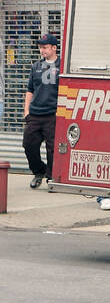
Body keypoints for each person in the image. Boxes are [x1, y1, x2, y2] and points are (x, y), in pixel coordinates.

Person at [23, 33, 60, 189]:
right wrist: (26, 111)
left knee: (52, 149)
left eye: (45, 47)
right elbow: (30, 90)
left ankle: (51, 178)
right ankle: (39, 171)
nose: (42, 50)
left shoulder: (62, 66)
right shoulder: (36, 66)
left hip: (52, 114)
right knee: (28, 145)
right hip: (35, 114)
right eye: (40, 48)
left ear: (54, 48)